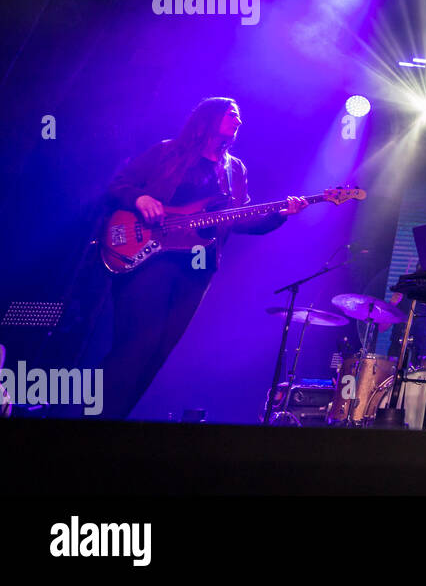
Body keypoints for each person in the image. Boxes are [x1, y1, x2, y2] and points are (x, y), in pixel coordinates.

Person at [99, 97, 306, 419]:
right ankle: (90, 419)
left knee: (158, 351)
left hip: (197, 269)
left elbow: (239, 221)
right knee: (135, 344)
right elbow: (117, 185)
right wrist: (140, 197)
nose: (238, 122)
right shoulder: (168, 151)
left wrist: (281, 214)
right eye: (232, 115)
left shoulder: (234, 170)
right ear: (209, 118)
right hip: (150, 257)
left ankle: (117, 421)